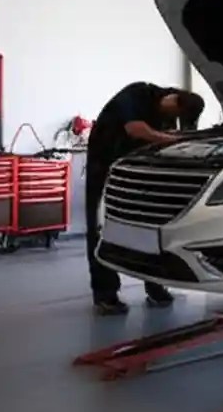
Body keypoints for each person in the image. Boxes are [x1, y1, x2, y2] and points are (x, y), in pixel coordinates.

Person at [84, 82, 205, 315]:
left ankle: (155, 286)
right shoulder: (137, 94)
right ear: (173, 99)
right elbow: (135, 129)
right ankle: (105, 294)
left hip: (138, 169)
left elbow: (166, 137)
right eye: (176, 115)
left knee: (149, 225)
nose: (173, 120)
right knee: (100, 227)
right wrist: (170, 139)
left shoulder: (170, 116)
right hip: (104, 165)